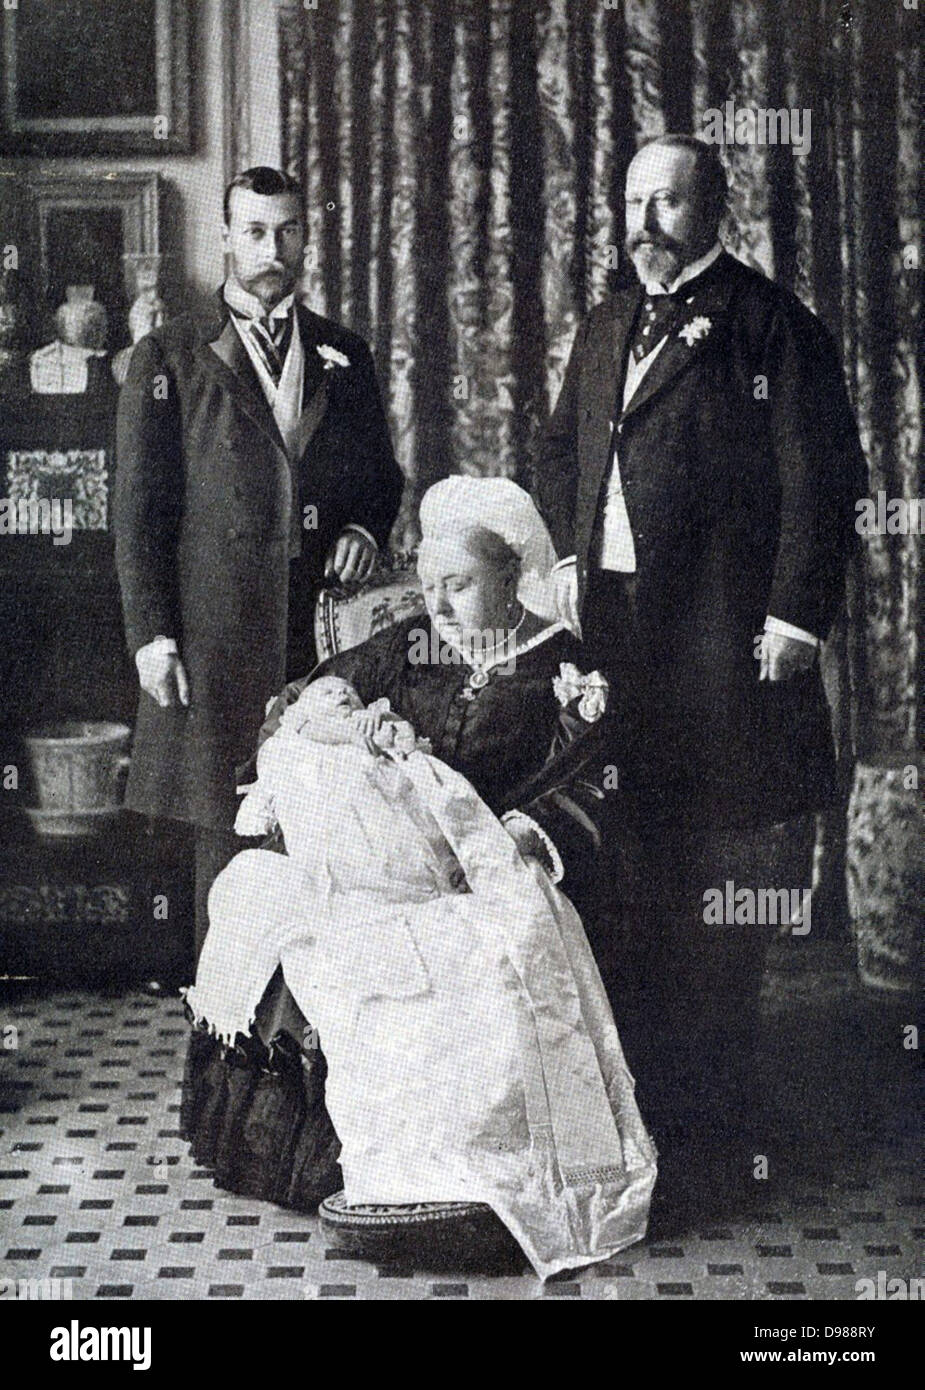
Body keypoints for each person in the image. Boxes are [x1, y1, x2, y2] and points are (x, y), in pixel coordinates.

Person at [180, 478, 655, 1277]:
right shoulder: (407, 645)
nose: (437, 605)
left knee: (472, 953)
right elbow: (303, 698)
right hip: (395, 866)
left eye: (459, 586)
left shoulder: (565, 669)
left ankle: (462, 1179)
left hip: (501, 868)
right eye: (428, 587)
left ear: (512, 575)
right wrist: (344, 717)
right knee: (279, 904)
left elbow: (595, 780)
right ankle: (365, 1170)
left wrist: (519, 836)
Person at [533, 133, 868, 1227]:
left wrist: (791, 617)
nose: (645, 222)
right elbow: (559, 454)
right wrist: (569, 561)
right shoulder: (600, 325)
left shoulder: (771, 326)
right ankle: (639, 1120)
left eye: (668, 201)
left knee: (716, 893)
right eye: (632, 200)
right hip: (619, 644)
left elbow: (824, 479)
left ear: (711, 209)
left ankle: (718, 1130)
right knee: (625, 876)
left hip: (725, 648)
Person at [114, 167, 403, 959]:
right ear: (226, 238)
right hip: (215, 640)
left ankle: (303, 1059)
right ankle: (228, 1055)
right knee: (229, 854)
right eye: (254, 232)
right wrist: (152, 635)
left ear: (307, 235)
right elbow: (138, 511)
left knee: (324, 838)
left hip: (316, 641)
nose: (272, 249)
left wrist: (365, 530)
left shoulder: (345, 352)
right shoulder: (168, 356)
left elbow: (381, 479)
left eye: (287, 231)